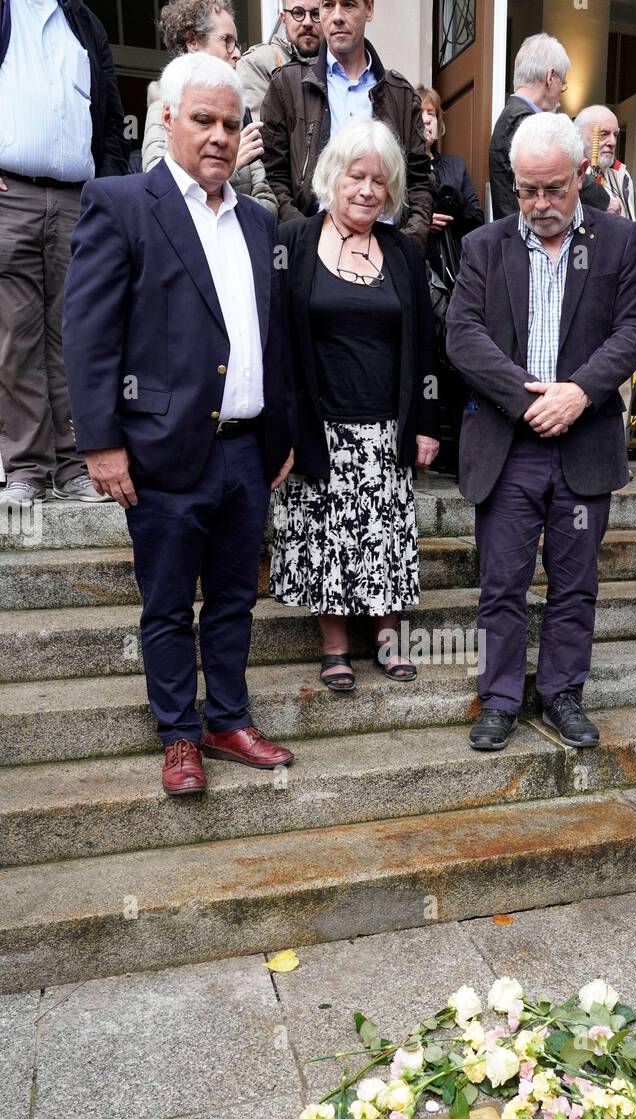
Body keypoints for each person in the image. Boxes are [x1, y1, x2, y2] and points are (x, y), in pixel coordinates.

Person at [62, 53, 296, 795]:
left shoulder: (259, 223)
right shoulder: (123, 202)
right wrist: (100, 443)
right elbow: (89, 330)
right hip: (162, 454)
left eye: (232, 123)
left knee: (234, 598)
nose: (220, 136)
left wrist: (282, 436)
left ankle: (228, 718)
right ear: (169, 120)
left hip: (245, 452)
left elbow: (269, 336)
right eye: (204, 120)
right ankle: (179, 736)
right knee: (168, 604)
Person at [447, 113, 636, 752]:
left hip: (583, 446)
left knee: (575, 581)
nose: (538, 204)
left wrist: (579, 393)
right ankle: (502, 696)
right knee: (501, 582)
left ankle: (562, 693)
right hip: (509, 446)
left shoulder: (618, 241)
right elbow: (462, 335)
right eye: (526, 189)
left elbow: (634, 332)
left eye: (553, 189)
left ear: (582, 177)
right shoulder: (485, 245)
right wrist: (529, 396)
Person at [271, 118, 439, 691]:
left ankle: (390, 639)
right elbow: (277, 340)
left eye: (379, 180)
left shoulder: (402, 252)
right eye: (356, 176)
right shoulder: (293, 243)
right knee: (324, 535)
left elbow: (425, 346)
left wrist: (426, 421)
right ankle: (335, 645)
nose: (367, 189)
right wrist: (283, 427)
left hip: (386, 425)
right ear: (331, 177)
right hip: (318, 422)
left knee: (384, 534)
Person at [0, 0, 126, 505]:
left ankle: (76, 464)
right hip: (12, 195)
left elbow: (111, 116)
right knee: (16, 335)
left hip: (79, 199)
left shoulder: (83, 20)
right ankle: (27, 467)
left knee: (77, 334)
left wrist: (112, 190)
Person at [260, 0, 433, 249]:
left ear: (369, 9)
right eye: (329, 5)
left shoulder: (400, 94)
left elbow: (419, 181)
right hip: (312, 251)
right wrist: (306, 237)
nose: (337, 16)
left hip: (386, 253)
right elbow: (272, 175)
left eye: (349, 5)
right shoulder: (288, 85)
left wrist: (407, 246)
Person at [142, 1, 276, 216]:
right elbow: (161, 194)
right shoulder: (164, 107)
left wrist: (226, 212)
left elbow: (268, 206)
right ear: (192, 41)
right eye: (227, 41)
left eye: (230, 125)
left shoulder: (242, 115)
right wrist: (229, 167)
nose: (237, 53)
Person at [488, 33, 609, 222]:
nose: (561, 96)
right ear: (550, 77)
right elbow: (565, 168)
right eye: (563, 84)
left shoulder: (512, 115)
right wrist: (605, 202)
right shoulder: (521, 121)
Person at [416, 84, 483, 285]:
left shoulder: (455, 167)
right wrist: (422, 221)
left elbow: (476, 219)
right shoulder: (396, 168)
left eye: (432, 114)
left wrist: (451, 202)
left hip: (453, 266)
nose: (427, 120)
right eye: (420, 114)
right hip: (417, 265)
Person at [237, 0, 322, 120]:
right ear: (283, 19)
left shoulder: (340, 65)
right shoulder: (257, 63)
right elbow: (261, 133)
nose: (307, 22)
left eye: (316, 13)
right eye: (298, 13)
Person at [574, 104, 636, 219]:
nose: (613, 142)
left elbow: (630, 222)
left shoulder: (622, 176)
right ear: (579, 136)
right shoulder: (565, 177)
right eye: (604, 134)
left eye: (615, 135)